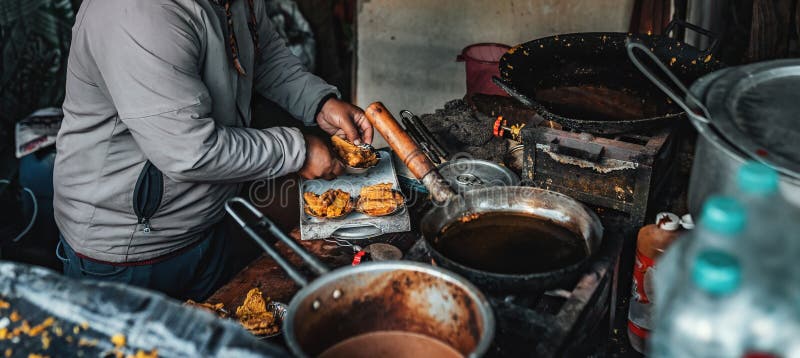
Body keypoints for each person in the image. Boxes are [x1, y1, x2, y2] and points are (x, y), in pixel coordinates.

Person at [53, 0, 372, 300]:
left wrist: (319, 103)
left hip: (206, 224)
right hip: (127, 253)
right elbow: (190, 150)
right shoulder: (136, 13)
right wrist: (299, 151)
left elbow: (264, 56)